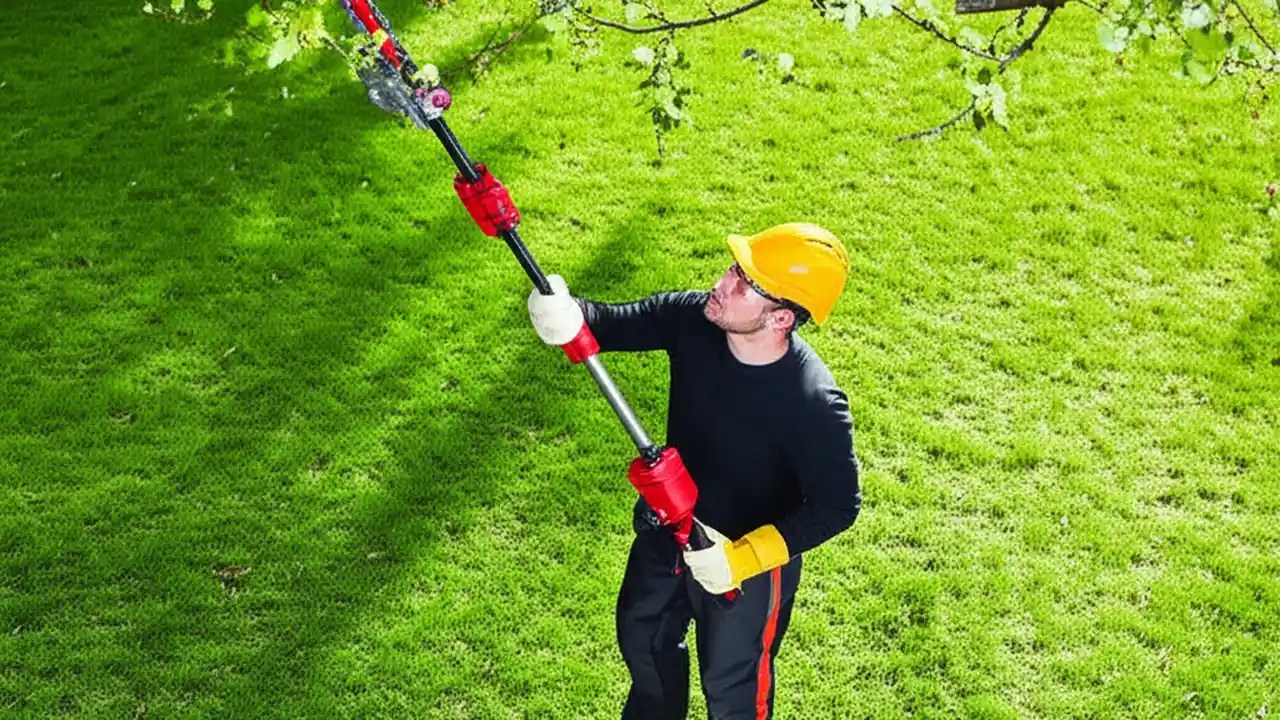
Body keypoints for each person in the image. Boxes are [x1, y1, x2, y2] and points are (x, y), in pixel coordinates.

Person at [527, 223, 862, 720]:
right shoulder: (696, 320)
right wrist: (566, 313)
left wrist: (742, 558)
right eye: (734, 268)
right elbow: (611, 322)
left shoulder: (812, 402)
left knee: (733, 688)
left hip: (744, 568)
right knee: (643, 637)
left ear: (781, 318)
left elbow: (839, 505)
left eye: (745, 284)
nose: (722, 284)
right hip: (669, 522)